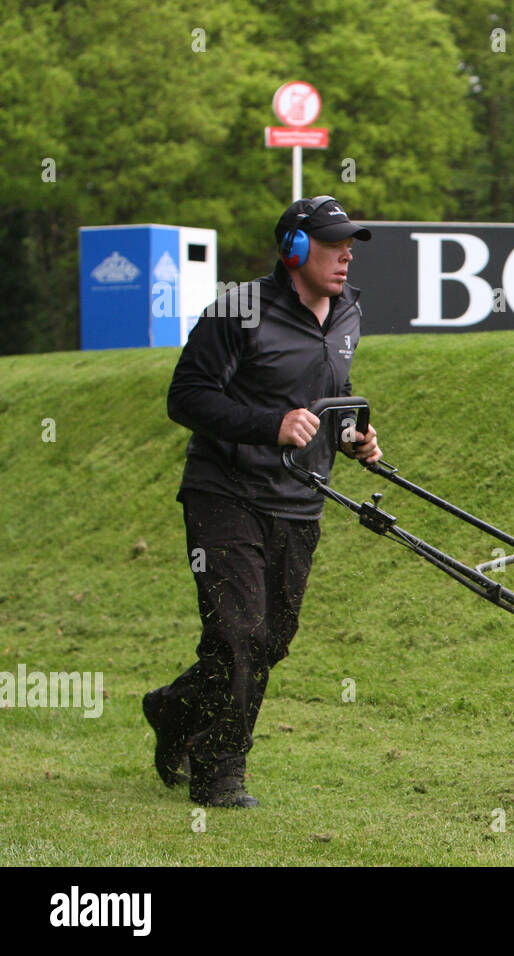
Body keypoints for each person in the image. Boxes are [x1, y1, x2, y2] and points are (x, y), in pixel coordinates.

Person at [144, 195, 380, 808]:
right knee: (240, 635)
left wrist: (350, 432)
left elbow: (331, 392)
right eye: (333, 243)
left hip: (299, 499)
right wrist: (269, 424)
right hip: (224, 492)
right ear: (294, 250)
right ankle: (221, 774)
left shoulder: (349, 311)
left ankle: (172, 711)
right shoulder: (238, 311)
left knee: (270, 639)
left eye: (350, 242)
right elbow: (187, 398)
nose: (347, 254)